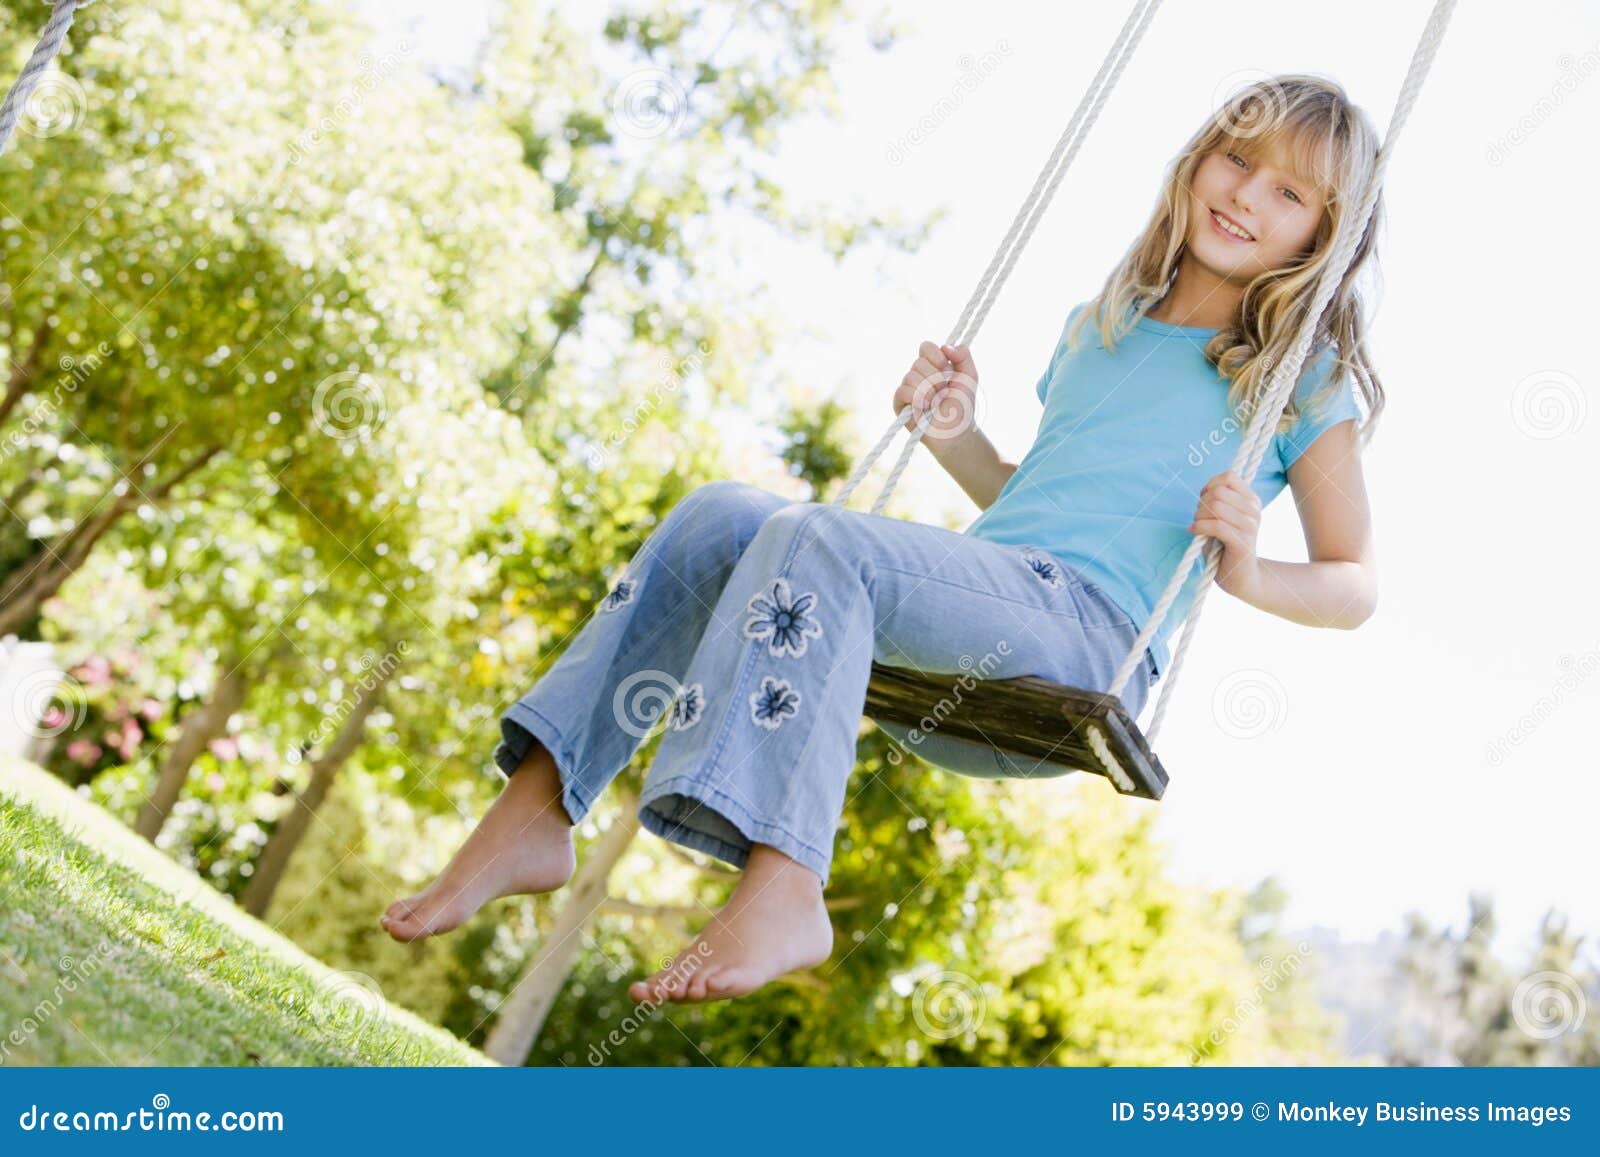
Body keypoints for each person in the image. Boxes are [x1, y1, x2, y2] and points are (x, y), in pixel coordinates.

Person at [381, 74, 1382, 1007]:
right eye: (1236, 160)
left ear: (1325, 235)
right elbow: (1028, 495)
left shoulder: (1300, 375)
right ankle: (535, 808)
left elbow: (1353, 584)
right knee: (719, 516)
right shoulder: (1104, 324)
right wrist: (955, 434)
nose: (1247, 195)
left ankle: (785, 880)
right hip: (996, 594)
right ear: (1197, 160)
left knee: (820, 542)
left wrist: (1245, 569)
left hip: (1088, 638)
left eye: (1288, 194)